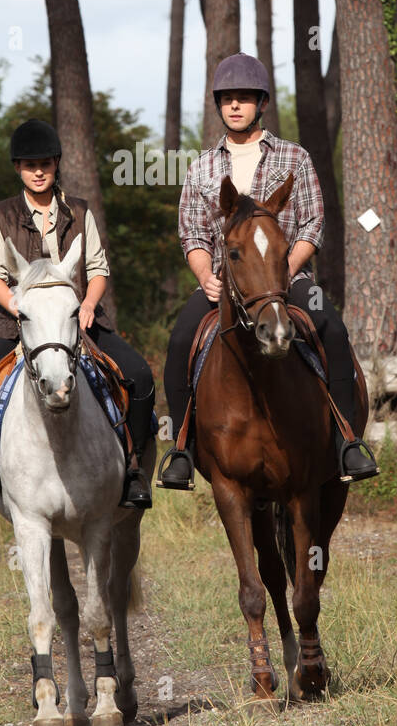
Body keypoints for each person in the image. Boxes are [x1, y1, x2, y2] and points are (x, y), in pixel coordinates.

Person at [159, 52, 379, 489]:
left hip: (287, 281)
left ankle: (347, 440)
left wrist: (280, 273)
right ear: (219, 105)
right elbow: (192, 233)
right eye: (227, 99)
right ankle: (182, 446)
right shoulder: (201, 168)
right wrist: (205, 275)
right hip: (226, 283)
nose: (235, 106)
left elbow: (313, 223)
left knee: (332, 330)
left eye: (244, 98)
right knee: (182, 339)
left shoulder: (294, 158)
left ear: (261, 103)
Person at [0, 118, 154, 516]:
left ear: (56, 163)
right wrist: (21, 309)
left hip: (77, 321)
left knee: (141, 376)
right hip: (18, 322)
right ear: (17, 169)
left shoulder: (80, 211)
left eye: (45, 162)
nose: (38, 170)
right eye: (29, 164)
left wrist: (90, 305)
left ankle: (133, 472)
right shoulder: (0, 215)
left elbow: (96, 269)